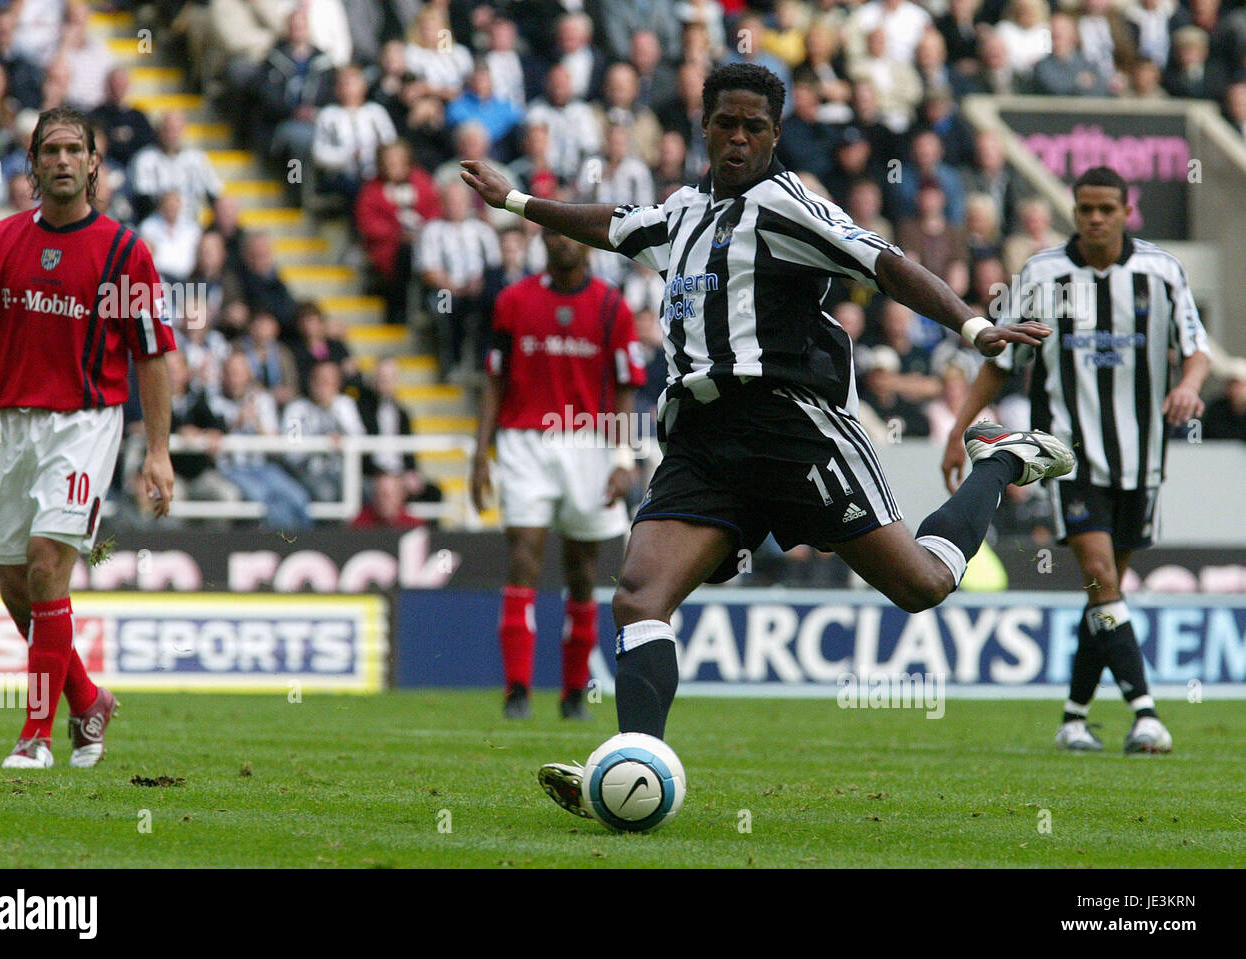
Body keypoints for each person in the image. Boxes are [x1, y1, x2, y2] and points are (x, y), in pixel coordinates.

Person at [461, 62, 1074, 818]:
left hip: (792, 430)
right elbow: (610, 225)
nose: (740, 137)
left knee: (920, 586)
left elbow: (885, 263)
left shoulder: (789, 208)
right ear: (705, 127)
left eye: (756, 126)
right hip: (703, 437)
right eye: (727, 123)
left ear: (776, 134)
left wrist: (974, 326)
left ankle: (1000, 459)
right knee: (639, 595)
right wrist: (516, 200)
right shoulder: (680, 214)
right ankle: (630, 768)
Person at [942, 166, 1210, 755]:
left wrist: (1188, 385)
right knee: (1103, 579)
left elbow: (1197, 351)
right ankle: (1146, 714)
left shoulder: (1161, 272)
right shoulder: (1042, 273)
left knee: (1103, 591)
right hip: (1068, 456)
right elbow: (1001, 361)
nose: (1094, 219)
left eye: (1105, 209)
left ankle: (1073, 717)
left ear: (1126, 208)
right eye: (1084, 209)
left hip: (1143, 459)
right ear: (1074, 209)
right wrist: (958, 428)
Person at [0, 106, 176, 769]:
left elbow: (152, 353)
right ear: (34, 162)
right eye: (52, 150)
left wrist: (157, 450)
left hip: (83, 420)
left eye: (76, 149)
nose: (64, 160)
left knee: (49, 562)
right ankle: (86, 696)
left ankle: (36, 735)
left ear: (95, 163)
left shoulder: (124, 251)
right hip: (6, 423)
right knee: (16, 584)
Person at [470, 227, 646, 721]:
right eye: (553, 233)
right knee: (523, 557)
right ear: (541, 242)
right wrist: (479, 454)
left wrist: (623, 458)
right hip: (525, 442)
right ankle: (517, 692)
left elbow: (628, 386)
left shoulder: (613, 306)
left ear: (587, 242)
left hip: (590, 441)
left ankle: (573, 694)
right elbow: (494, 380)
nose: (563, 242)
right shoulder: (512, 301)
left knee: (583, 572)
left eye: (572, 233)